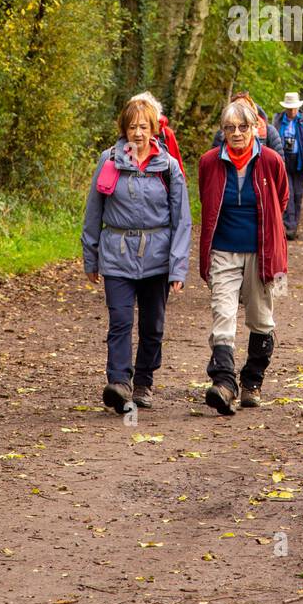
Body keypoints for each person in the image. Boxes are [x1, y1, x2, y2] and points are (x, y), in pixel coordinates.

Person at [82, 94, 191, 412]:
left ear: (154, 129)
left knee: (153, 325)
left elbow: (182, 220)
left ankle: (143, 382)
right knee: (119, 320)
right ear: (124, 129)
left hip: (157, 256)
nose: (138, 133)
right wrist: (91, 256)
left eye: (144, 126)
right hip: (116, 253)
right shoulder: (110, 160)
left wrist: (178, 267)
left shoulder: (168, 167)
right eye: (132, 127)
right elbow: (93, 211)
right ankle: (118, 382)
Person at [198, 99, 288, 415]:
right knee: (223, 313)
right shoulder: (209, 162)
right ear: (222, 131)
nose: (236, 133)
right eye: (230, 128)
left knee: (261, 319)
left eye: (243, 127)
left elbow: (282, 199)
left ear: (254, 128)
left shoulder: (272, 161)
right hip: (222, 249)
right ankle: (223, 383)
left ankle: (251, 381)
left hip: (262, 252)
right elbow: (207, 203)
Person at [272, 92, 303, 240]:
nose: (292, 111)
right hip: (283, 161)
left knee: (298, 195)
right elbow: (271, 140)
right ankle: (289, 227)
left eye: (294, 108)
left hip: (300, 161)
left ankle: (293, 225)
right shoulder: (278, 120)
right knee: (288, 193)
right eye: (289, 108)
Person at [212, 92, 284, 154]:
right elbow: (215, 160)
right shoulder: (222, 133)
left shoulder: (269, 131)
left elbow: (278, 162)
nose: (237, 133)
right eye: (237, 108)